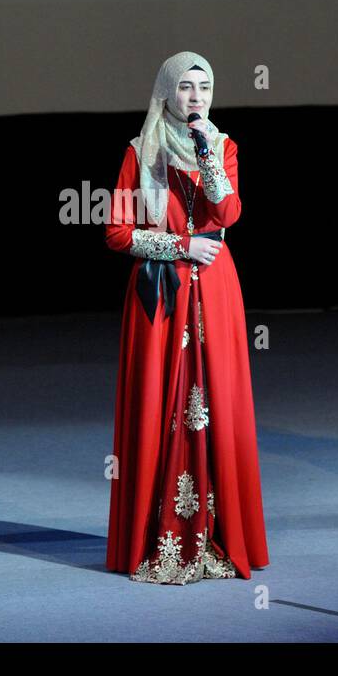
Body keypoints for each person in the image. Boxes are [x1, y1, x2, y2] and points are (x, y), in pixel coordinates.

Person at [105, 51, 268, 584]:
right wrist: (180, 246)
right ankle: (156, 538)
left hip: (217, 289)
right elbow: (116, 232)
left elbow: (229, 213)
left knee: (218, 403)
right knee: (160, 403)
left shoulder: (223, 146)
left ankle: (222, 534)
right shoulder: (139, 151)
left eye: (205, 87)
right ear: (166, 93)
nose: (195, 97)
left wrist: (208, 153)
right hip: (162, 290)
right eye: (185, 87)